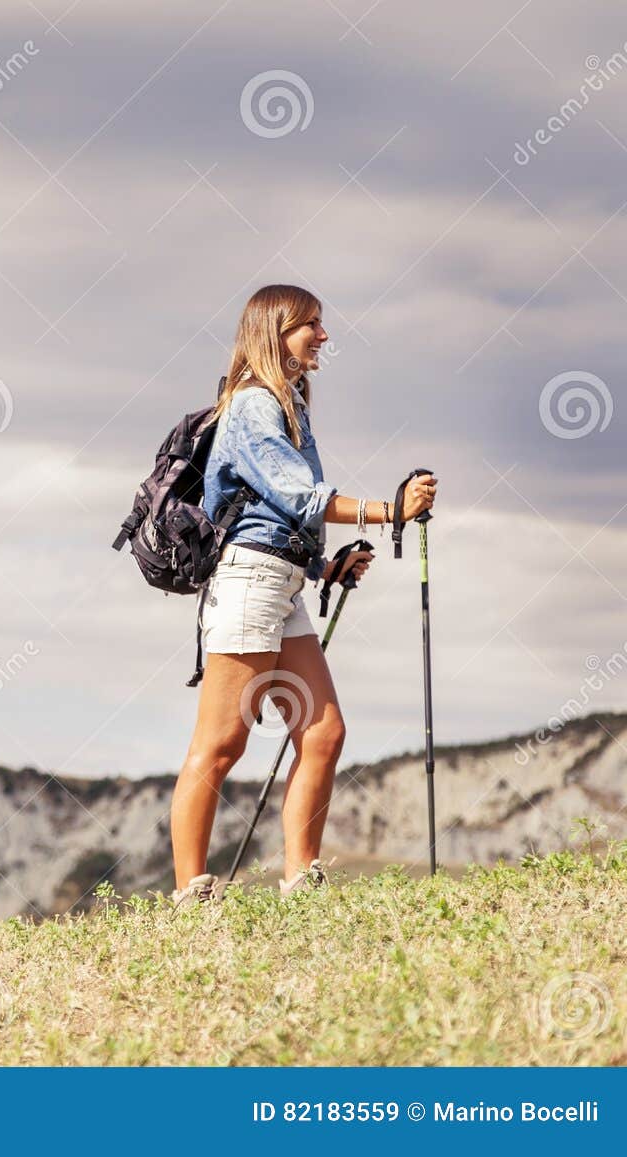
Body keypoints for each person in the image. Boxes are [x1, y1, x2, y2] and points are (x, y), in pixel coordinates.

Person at [170, 285, 437, 906]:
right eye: (310, 325)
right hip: (248, 585)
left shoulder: (289, 404)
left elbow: (277, 514)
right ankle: (191, 896)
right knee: (221, 743)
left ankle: (302, 883)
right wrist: (388, 510)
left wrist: (322, 568)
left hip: (280, 581)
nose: (323, 336)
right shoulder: (252, 406)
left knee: (322, 734)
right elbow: (299, 497)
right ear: (275, 331)